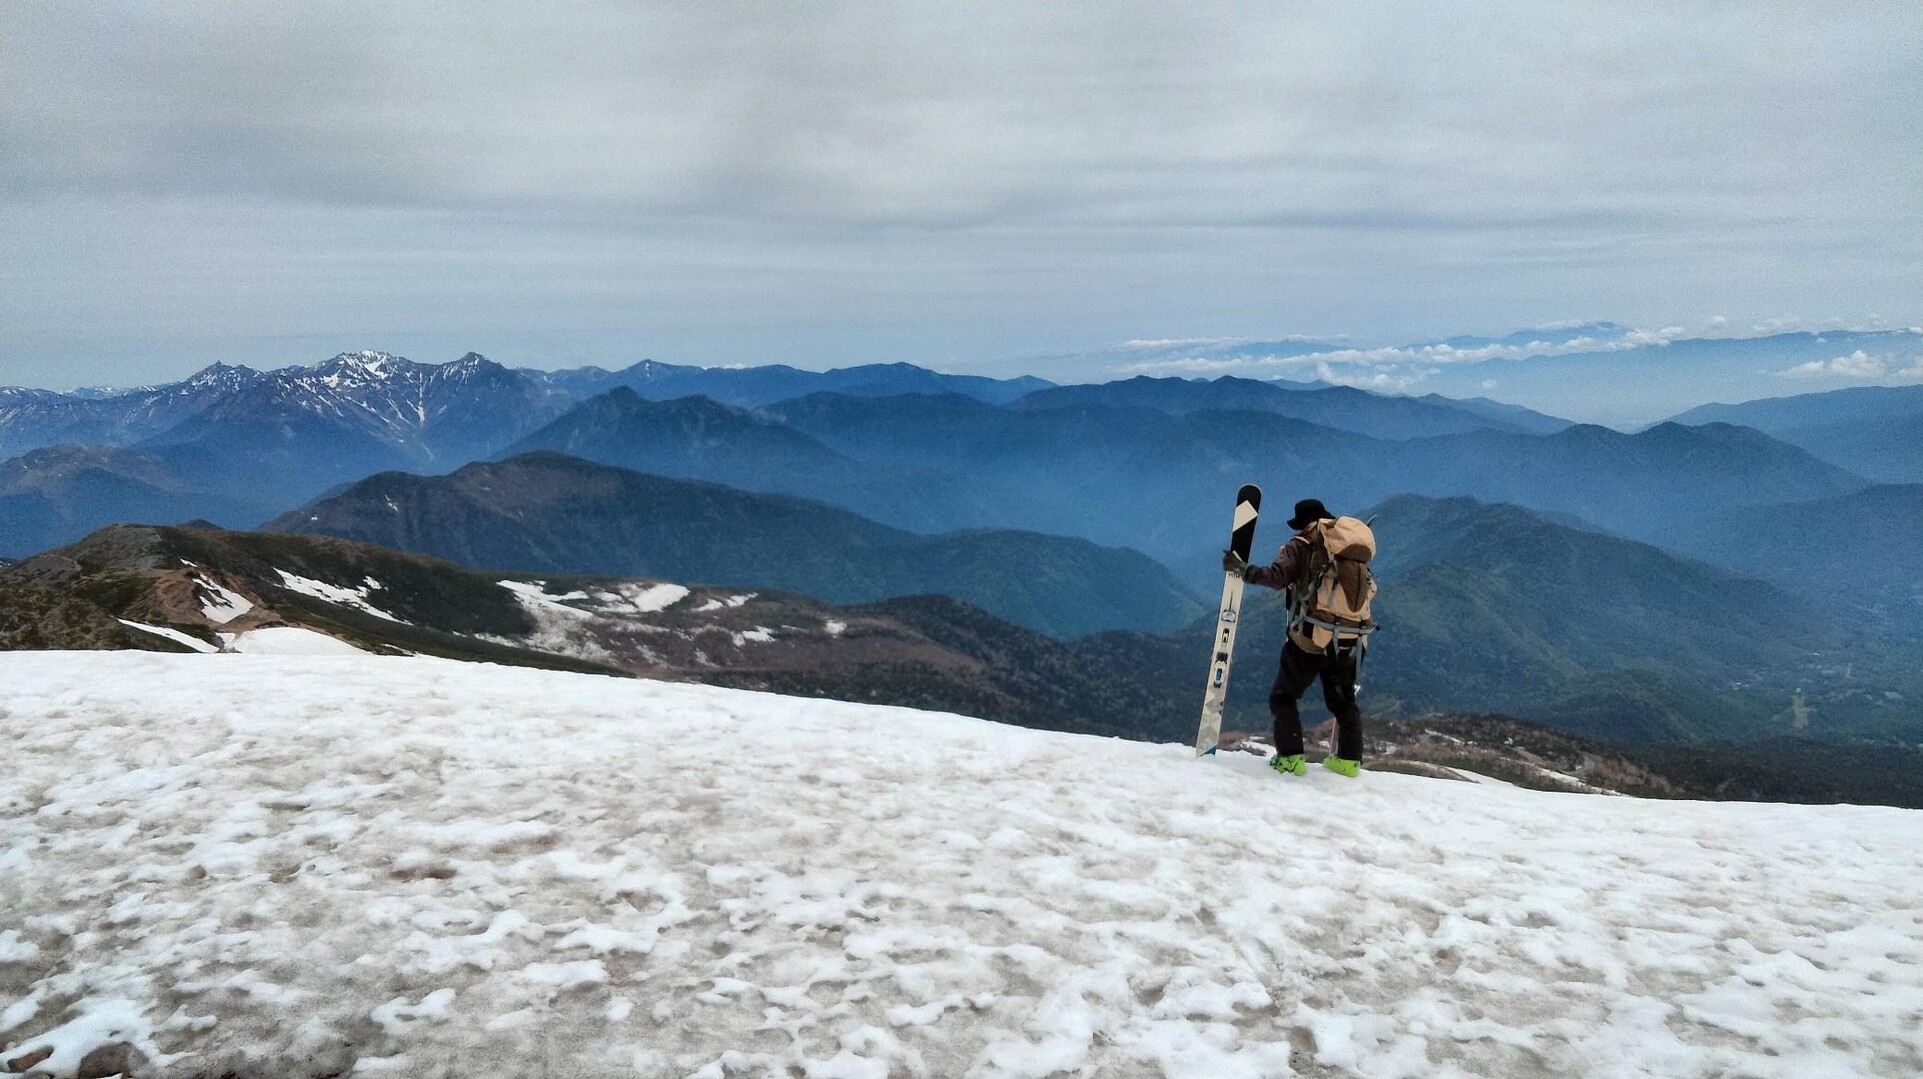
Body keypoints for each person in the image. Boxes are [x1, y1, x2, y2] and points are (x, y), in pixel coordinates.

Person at [1222, 498, 1364, 778]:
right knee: (1343, 702)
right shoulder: (1345, 546)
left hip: (1310, 638)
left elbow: (1277, 577)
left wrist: (1242, 570)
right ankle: (1348, 762)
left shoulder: (1301, 545)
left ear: (1303, 524)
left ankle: (1291, 759)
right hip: (1349, 639)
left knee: (1283, 697)